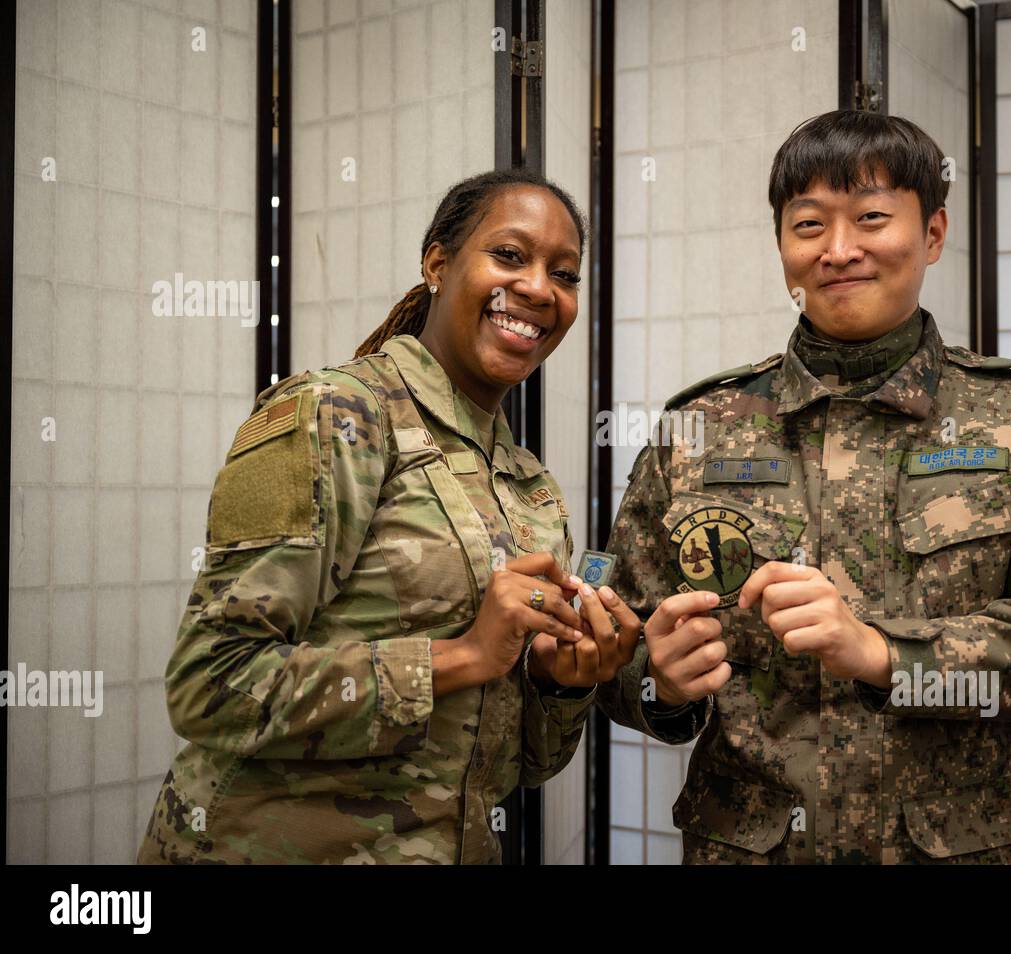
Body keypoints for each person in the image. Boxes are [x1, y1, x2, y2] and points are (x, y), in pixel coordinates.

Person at [596, 110, 1011, 864]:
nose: (839, 250)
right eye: (808, 225)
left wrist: (884, 652)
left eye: (870, 217)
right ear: (782, 249)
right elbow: (614, 646)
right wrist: (658, 685)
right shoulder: (697, 429)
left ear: (932, 234)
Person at [139, 169, 639, 864]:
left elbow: (517, 766)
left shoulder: (532, 489)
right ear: (438, 263)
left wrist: (560, 681)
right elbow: (211, 686)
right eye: (510, 255)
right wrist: (461, 656)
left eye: (565, 274)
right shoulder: (337, 415)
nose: (538, 289)